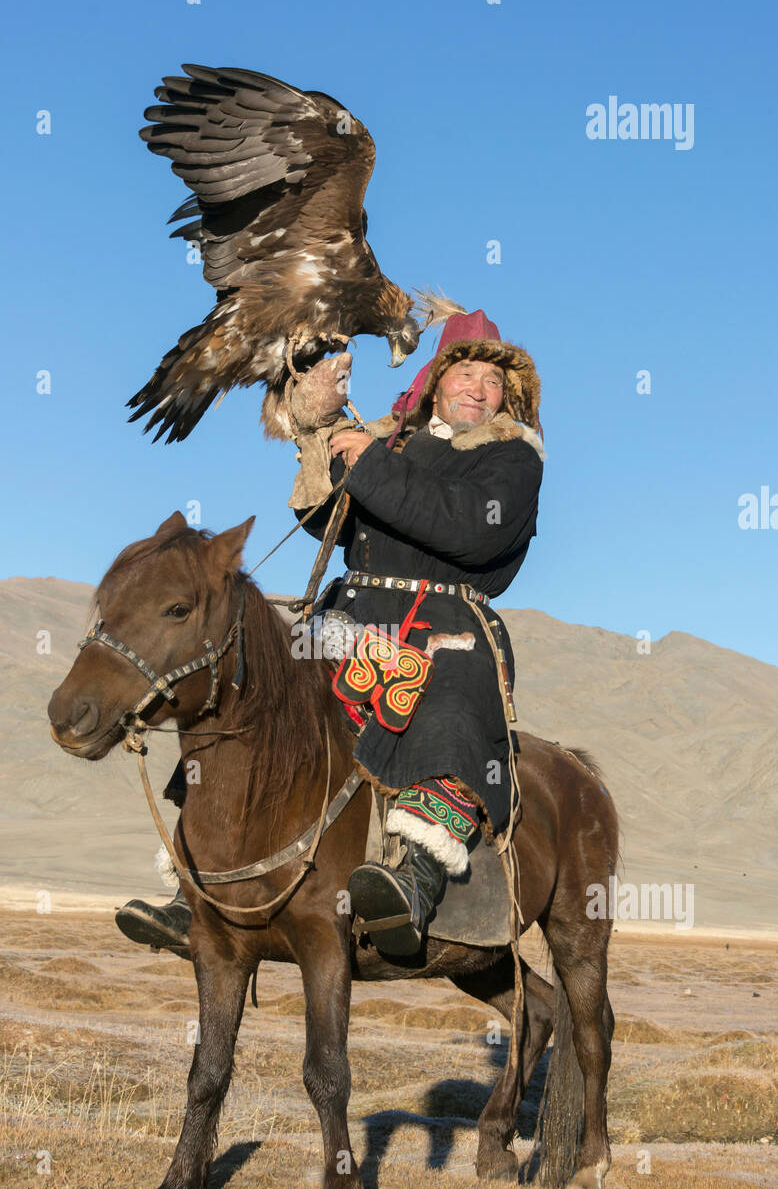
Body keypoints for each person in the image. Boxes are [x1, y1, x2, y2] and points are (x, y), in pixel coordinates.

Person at [116, 306, 544, 956]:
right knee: (253, 702)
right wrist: (319, 432)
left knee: (451, 708)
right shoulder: (394, 441)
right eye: (466, 374)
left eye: (492, 381)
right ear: (437, 380)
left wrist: (370, 461)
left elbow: (462, 527)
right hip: (349, 619)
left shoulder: (511, 459)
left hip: (446, 628)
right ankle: (197, 886)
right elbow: (334, 521)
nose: (479, 389)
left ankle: (418, 883)